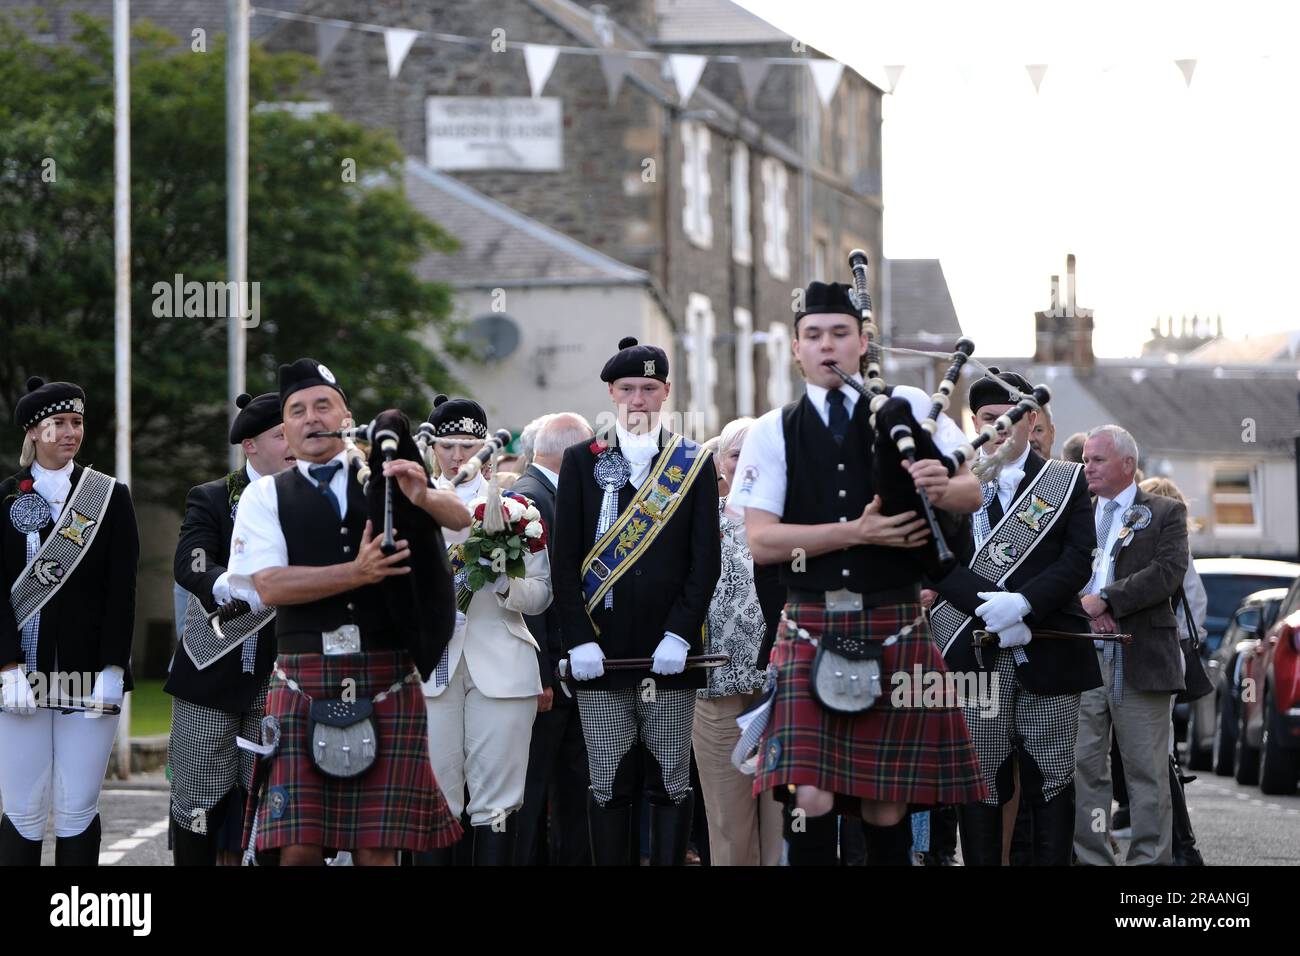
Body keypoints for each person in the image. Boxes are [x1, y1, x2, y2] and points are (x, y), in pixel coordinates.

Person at [732, 281, 986, 866]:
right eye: (814, 335)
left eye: (840, 334)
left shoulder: (908, 408)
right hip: (811, 625)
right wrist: (857, 532)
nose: (828, 346)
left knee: (887, 801)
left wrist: (941, 486)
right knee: (810, 793)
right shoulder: (774, 430)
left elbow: (971, 488)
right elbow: (762, 541)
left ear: (863, 342)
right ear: (796, 348)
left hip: (894, 620)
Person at [226, 358, 466, 865]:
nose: (311, 418)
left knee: (377, 850)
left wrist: (422, 494)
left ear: (346, 416)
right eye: (297, 411)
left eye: (322, 406)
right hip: (303, 676)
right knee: (298, 848)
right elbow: (268, 586)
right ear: (285, 431)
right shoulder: (263, 495)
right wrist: (356, 574)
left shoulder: (386, 476)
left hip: (387, 670)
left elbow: (462, 518)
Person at [551, 336, 722, 866]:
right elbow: (564, 560)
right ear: (611, 392)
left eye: (650, 388)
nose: (639, 398)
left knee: (670, 781)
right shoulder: (583, 459)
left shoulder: (693, 461)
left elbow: (705, 562)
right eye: (628, 388)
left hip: (673, 653)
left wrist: (679, 632)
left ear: (667, 392)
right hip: (601, 653)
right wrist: (577, 638)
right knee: (607, 783)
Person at [928, 369, 1101, 865]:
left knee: (1051, 776)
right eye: (988, 419)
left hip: (1047, 642)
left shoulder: (1065, 481)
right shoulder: (952, 481)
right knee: (981, 780)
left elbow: (1077, 558)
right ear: (974, 421)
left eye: (1012, 418)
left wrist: (1024, 605)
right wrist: (991, 607)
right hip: (972, 647)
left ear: (1032, 422)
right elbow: (938, 563)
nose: (1000, 428)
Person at [0, 377, 139, 865]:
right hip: (20, 681)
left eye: (76, 422)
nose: (69, 432)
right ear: (34, 432)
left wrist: (113, 669)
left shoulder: (109, 496)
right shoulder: (5, 498)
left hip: (88, 678)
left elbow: (122, 590)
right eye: (57, 423)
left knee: (78, 808)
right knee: (22, 811)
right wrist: (6, 665)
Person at [421, 395, 552, 865]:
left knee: (498, 801)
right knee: (434, 801)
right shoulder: (412, 503)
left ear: (488, 450)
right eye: (448, 446)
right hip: (430, 666)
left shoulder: (515, 507)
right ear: (432, 447)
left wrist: (503, 583)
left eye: (469, 446)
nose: (459, 457)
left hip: (501, 662)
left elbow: (541, 593)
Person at [166, 392, 290, 865]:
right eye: (281, 435)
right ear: (250, 445)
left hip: (281, 671)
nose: (292, 443)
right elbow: (192, 562)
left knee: (278, 802)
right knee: (199, 801)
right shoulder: (214, 496)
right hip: (211, 669)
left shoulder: (314, 498)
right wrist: (241, 587)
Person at [1073, 425, 1188, 865]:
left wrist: (1107, 599)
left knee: (1146, 772)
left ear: (1127, 464)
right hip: (1082, 655)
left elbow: (1167, 573)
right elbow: (1059, 570)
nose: (1088, 468)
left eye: (1097, 460)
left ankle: (1149, 862)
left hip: (1140, 655)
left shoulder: (1165, 512)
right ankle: (1092, 858)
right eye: (1085, 460)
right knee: (1084, 768)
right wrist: (1083, 607)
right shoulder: (1074, 511)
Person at [693, 419, 784, 866]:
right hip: (717, 688)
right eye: (736, 455)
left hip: (786, 688)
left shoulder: (794, 523)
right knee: (729, 824)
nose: (748, 464)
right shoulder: (698, 521)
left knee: (785, 820)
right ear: (720, 465)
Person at [513, 413, 595, 866]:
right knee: (533, 788)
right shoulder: (528, 501)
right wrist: (541, 675)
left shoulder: (551, 494)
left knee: (569, 787)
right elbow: (530, 599)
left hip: (566, 673)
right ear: (570, 455)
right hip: (547, 675)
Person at [1137, 475, 1206, 866]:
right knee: (1158, 753)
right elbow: (1197, 602)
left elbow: (1193, 600)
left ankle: (1181, 846)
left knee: (1156, 754)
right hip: (1160, 656)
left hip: (1154, 656)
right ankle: (1181, 847)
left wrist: (1169, 637)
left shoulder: (1160, 544)